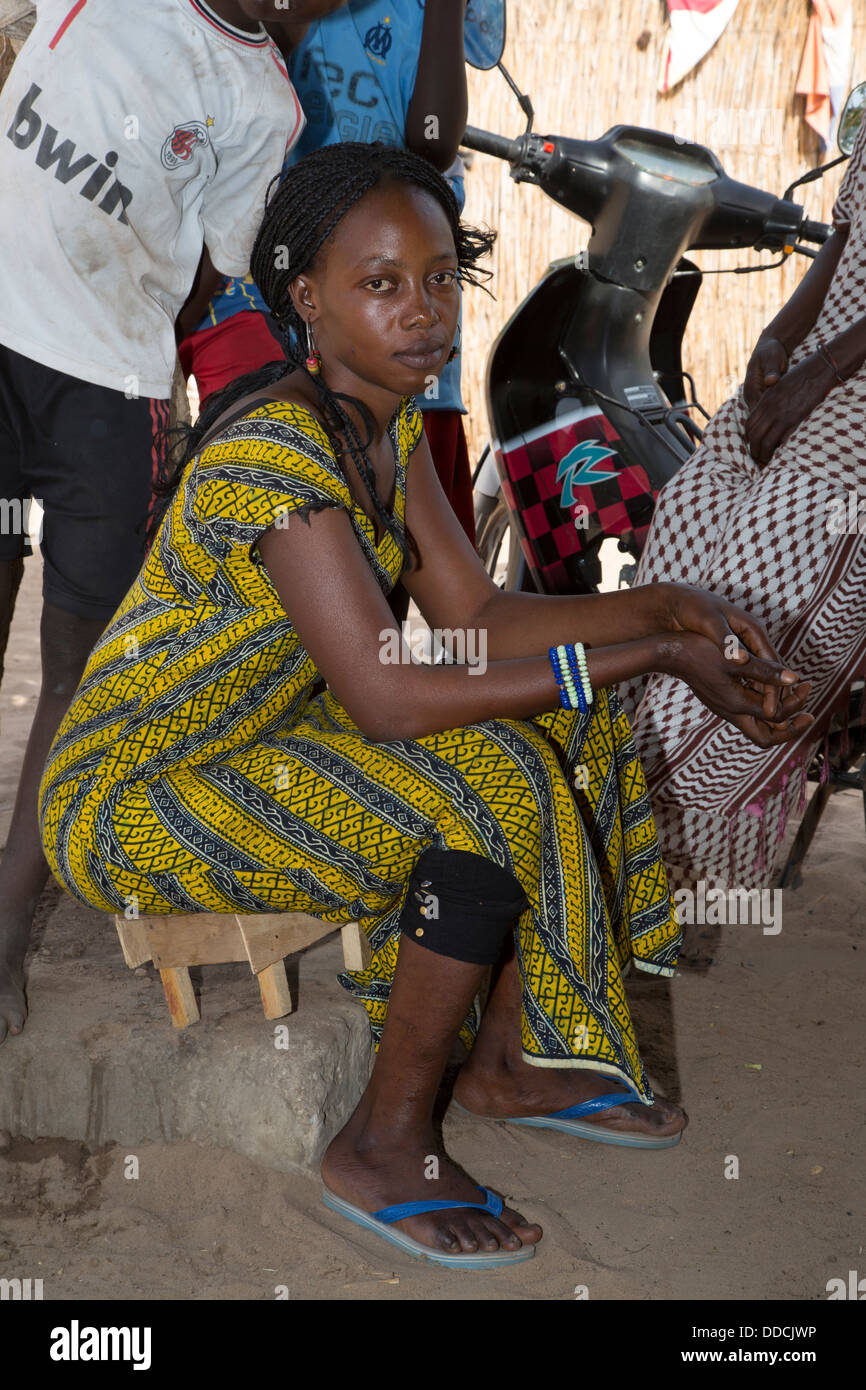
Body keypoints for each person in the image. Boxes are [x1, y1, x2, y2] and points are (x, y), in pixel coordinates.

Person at [39, 143, 811, 1266]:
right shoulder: (272, 453)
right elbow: (391, 698)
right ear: (306, 298)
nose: (424, 313)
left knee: (572, 723)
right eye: (382, 283)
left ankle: (513, 1060)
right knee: (489, 772)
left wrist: (670, 609)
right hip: (136, 793)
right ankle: (383, 1143)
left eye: (443, 278)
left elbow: (477, 618)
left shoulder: (385, 432)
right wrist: (642, 653)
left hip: (261, 742)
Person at [0, 0, 351, 1047]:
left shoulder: (265, 102)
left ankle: (6, 925)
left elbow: (215, 261)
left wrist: (147, 311)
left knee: (78, 668)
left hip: (109, 388)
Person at [619, 108, 866, 892]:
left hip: (847, 391)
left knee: (767, 594)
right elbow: (845, 236)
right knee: (687, 526)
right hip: (822, 364)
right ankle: (625, 830)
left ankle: (688, 877)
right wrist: (779, 337)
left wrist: (818, 375)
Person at [177, 0, 477, 543]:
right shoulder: (276, 423)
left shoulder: (403, 394)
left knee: (397, 543)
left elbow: (433, 140)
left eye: (444, 279)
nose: (426, 310)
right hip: (242, 289)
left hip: (357, 331)